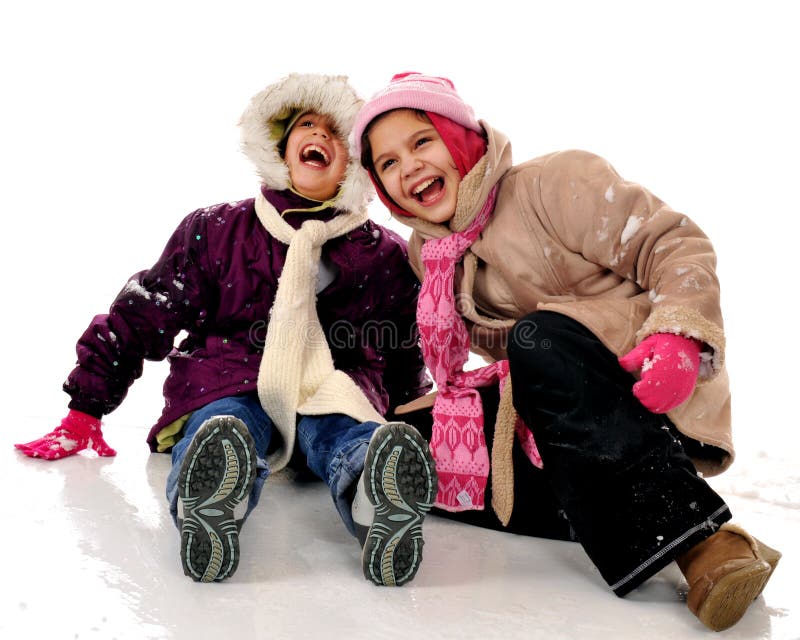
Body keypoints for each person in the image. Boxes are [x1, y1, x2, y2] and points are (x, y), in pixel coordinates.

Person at [352, 72, 781, 631]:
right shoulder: (430, 256)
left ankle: (699, 543)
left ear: (459, 139)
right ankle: (604, 509)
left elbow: (674, 243)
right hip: (557, 405)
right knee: (412, 438)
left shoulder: (554, 182)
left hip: (644, 380)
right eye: (387, 164)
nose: (407, 166)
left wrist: (680, 335)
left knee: (537, 335)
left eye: (421, 142)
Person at [14, 73, 438, 588]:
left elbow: (403, 345)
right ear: (282, 148)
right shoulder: (220, 230)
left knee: (345, 430)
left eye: (337, 135)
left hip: (331, 386)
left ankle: (378, 490)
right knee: (226, 417)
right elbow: (148, 310)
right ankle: (215, 492)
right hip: (229, 377)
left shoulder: (381, 254)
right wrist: (87, 405)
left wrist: (415, 416)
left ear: (354, 167)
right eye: (309, 126)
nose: (321, 137)